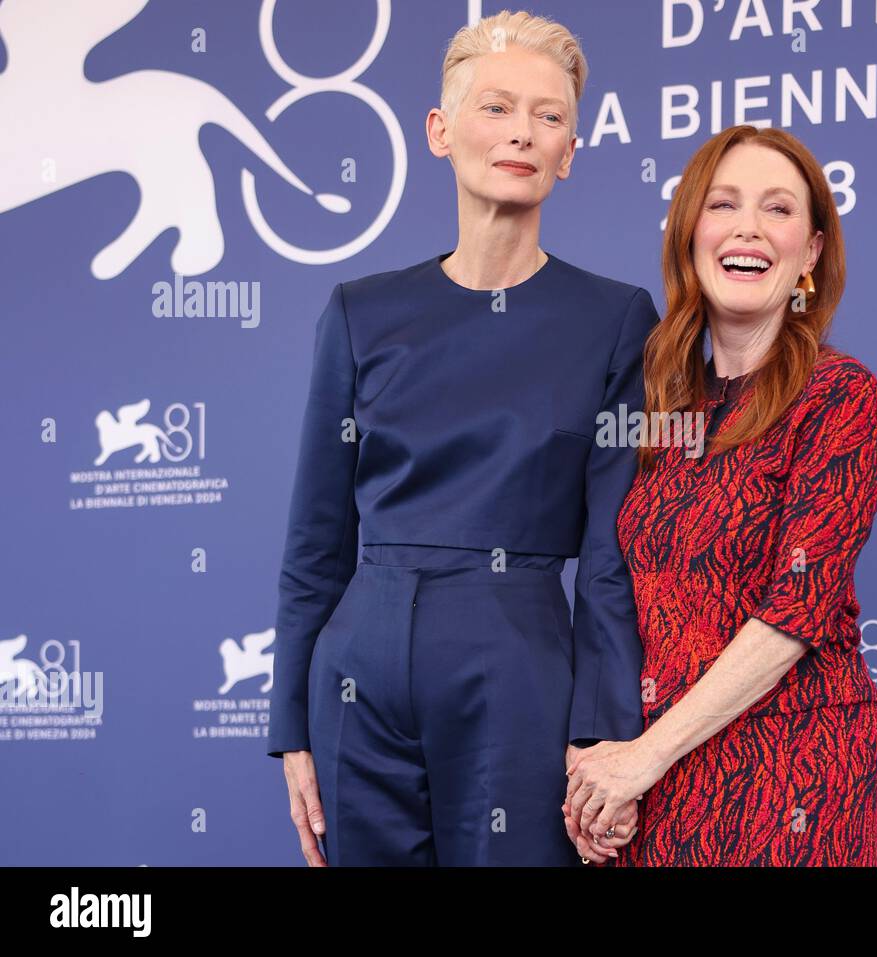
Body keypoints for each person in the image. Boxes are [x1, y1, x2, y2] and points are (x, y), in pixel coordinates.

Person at [269, 10, 656, 866]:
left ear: (569, 151)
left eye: (549, 116)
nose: (523, 131)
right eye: (497, 107)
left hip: (519, 665)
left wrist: (603, 731)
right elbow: (316, 541)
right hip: (357, 671)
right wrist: (292, 724)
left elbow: (610, 554)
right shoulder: (360, 311)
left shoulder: (617, 320)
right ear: (440, 133)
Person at [563, 125, 877, 865]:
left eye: (778, 209)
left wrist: (642, 757)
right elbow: (610, 592)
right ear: (689, 236)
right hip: (652, 789)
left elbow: (794, 611)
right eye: (724, 204)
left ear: (810, 253)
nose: (749, 226)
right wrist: (600, 769)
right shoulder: (656, 412)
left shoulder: (839, 397)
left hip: (790, 781)